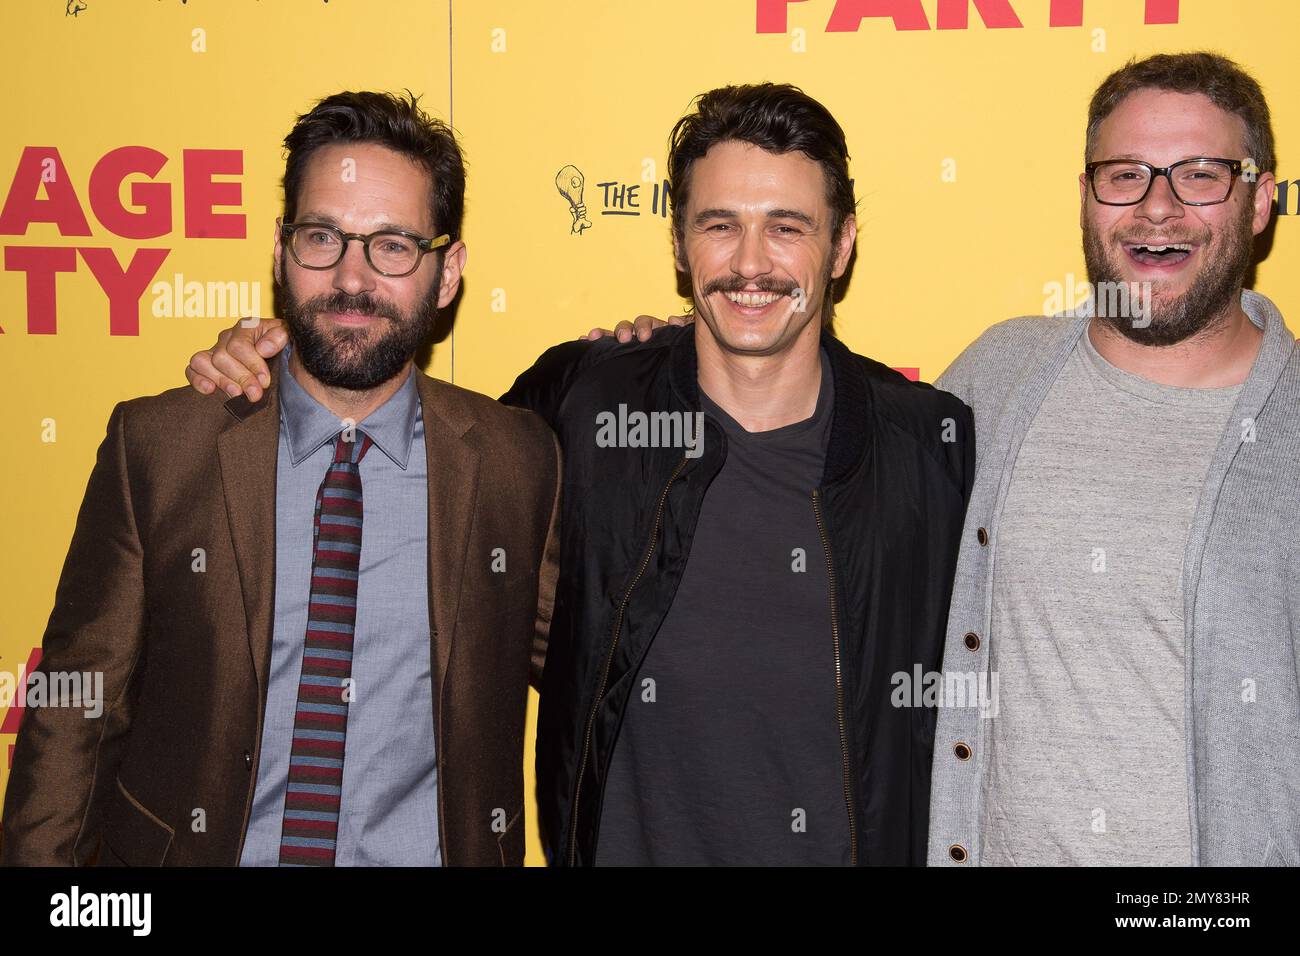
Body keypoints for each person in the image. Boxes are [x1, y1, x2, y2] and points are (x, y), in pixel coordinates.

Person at [182, 83, 975, 866]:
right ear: (677, 244)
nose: (750, 264)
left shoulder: (927, 446)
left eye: (788, 227)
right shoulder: (582, 402)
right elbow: (400, 440)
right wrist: (273, 366)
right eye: (720, 225)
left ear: (841, 246)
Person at [607, 52, 1300, 867]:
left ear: (1260, 200)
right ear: (1085, 198)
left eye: (1200, 175)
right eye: (1126, 175)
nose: (1157, 208)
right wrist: (654, 362)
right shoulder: (996, 379)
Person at [1, 91, 561, 867]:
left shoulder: (519, 462)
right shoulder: (162, 448)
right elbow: (75, 711)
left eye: (393, 245)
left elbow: (603, 667)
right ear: (279, 250)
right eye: (322, 237)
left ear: (448, 271)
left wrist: (677, 353)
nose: (352, 279)